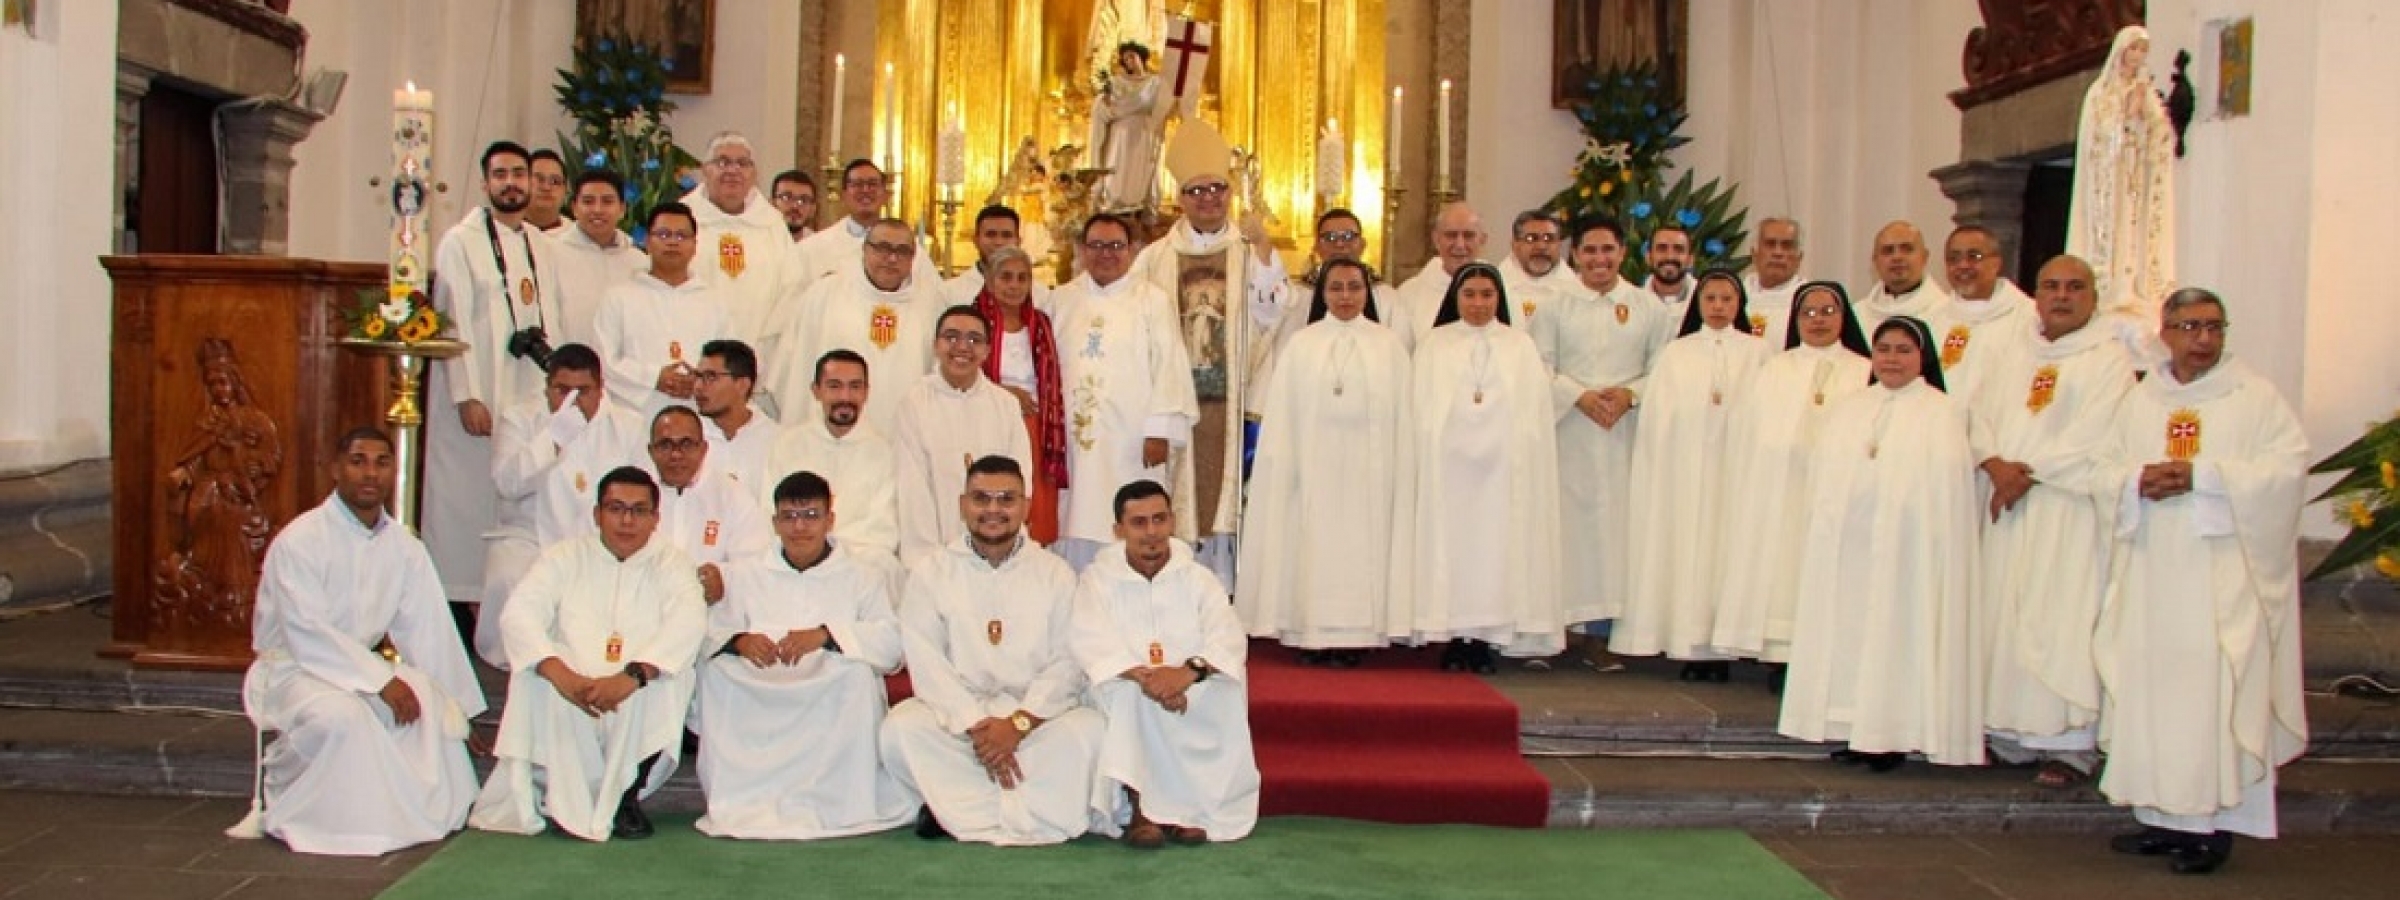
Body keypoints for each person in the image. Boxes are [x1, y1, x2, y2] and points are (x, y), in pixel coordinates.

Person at [2093, 288, 2306, 876]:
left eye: (2213, 326)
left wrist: (2203, 477)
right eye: (2189, 326)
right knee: (2154, 691)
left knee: (2210, 694)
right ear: (2166, 332)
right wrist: (2137, 481)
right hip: (2153, 570)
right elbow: (2103, 468)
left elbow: (2286, 470)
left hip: (2219, 576)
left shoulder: (2254, 397)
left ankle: (2214, 827)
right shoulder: (2141, 400)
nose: (2203, 338)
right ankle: (2163, 817)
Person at [234, 427, 485, 856]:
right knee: (346, 718)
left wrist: (458, 707)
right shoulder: (301, 539)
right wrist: (378, 680)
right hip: (296, 670)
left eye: (381, 462)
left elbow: (428, 629)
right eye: (358, 461)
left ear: (393, 471)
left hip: (359, 669)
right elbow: (306, 631)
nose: (370, 473)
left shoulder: (404, 547)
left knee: (427, 709)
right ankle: (312, 810)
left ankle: (406, 816)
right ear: (336, 469)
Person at [1776, 316, 1984, 773]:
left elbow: (1943, 491)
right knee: (1851, 636)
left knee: (1895, 637)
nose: (1892, 358)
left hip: (1907, 554)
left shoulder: (1940, 411)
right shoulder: (1851, 408)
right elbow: (1825, 476)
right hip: (1849, 550)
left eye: (1903, 350)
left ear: (1923, 356)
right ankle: (1855, 728)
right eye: (1884, 349)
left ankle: (1892, 734)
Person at [470, 467, 708, 841]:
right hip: (573, 679)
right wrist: (562, 675)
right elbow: (520, 614)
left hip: (634, 680)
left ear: (654, 519)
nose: (626, 520)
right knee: (535, 671)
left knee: (672, 677)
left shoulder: (673, 563)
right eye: (616, 508)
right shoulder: (564, 556)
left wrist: (632, 677)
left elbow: (688, 621)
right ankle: (566, 797)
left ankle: (626, 797)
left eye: (638, 510)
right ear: (597, 514)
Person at [881, 455, 1105, 846]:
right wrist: (977, 727)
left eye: (1006, 499)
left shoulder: (1055, 573)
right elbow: (926, 661)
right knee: (901, 729)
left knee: (1089, 730)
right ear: (963, 504)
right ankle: (1004, 805)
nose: (993, 510)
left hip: (1034, 719)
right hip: (963, 723)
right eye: (981, 498)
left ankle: (955, 808)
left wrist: (1017, 725)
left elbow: (1068, 661)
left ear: (1026, 505)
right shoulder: (932, 572)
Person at [1975, 255, 2136, 787]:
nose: (2061, 296)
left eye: (2074, 287)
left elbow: (2100, 436)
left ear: (2093, 296)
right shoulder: (2010, 350)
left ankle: (2069, 745)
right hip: (2005, 502)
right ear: (2036, 294)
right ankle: (2009, 735)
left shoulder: (2108, 359)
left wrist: (2029, 473)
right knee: (2004, 614)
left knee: (2059, 620)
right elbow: (1979, 414)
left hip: (2066, 509)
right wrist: (1995, 463)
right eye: (2051, 286)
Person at [691, 472, 914, 840]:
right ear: (775, 522)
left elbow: (891, 644)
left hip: (827, 685)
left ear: (830, 519)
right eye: (789, 517)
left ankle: (837, 802)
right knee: (719, 673)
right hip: (761, 683)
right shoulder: (746, 575)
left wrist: (827, 636)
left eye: (811, 515)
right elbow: (711, 632)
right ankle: (745, 800)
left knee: (857, 676)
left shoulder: (862, 576)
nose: (800, 527)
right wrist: (740, 641)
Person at [1127, 118, 1291, 589]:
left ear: (1230, 192)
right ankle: (1175, 585)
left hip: (1229, 398)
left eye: (1218, 188)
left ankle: (1224, 592)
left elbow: (1272, 314)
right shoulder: (1155, 258)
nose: (1209, 199)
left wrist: (1263, 252)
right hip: (1177, 402)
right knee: (1178, 493)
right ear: (1181, 198)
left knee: (1225, 500)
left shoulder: (1245, 250)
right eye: (1197, 191)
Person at [1235, 258, 1412, 665]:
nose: (1346, 297)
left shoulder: (1389, 345)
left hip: (1371, 473)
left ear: (1368, 293)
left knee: (1363, 550)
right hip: (1314, 472)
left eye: (1354, 287)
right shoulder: (1302, 343)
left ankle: (1360, 637)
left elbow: (1403, 416)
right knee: (1312, 547)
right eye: (1336, 288)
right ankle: (1309, 632)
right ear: (1322, 294)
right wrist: (1287, 468)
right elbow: (1283, 417)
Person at [1393, 264, 1564, 673]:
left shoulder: (1519, 346)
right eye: (1469, 294)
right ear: (1456, 297)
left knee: (1496, 554)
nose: (1478, 303)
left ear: (1499, 298)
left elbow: (1534, 417)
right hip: (1448, 476)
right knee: (1450, 551)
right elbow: (1420, 412)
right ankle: (1454, 637)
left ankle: (1486, 639)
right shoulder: (1434, 344)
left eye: (1487, 294)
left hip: (1503, 476)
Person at [1071, 480, 1259, 846]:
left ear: (1173, 522)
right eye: (1139, 523)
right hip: (1130, 682)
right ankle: (1142, 808)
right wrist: (1148, 680)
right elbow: (1090, 639)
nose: (1152, 532)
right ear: (1118, 530)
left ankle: (1192, 808)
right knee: (1127, 697)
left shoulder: (1199, 579)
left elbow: (1227, 637)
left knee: (1221, 693)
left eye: (1160, 520)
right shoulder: (1098, 580)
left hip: (1190, 681)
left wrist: (1186, 674)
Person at [427, 141, 566, 620]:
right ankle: (460, 604)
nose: (512, 183)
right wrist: (466, 394)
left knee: (522, 492)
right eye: (501, 174)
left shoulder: (540, 244)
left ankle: (509, 604)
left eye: (519, 174)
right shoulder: (460, 243)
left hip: (527, 390)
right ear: (485, 184)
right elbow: (452, 321)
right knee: (469, 499)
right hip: (480, 391)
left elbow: (553, 317)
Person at [1709, 283, 1871, 680]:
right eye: (1809, 313)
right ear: (1796, 320)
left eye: (1828, 311)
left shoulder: (1863, 369)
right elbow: (1753, 432)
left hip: (1840, 494)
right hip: (1782, 492)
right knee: (1783, 570)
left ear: (1844, 317)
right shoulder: (1776, 368)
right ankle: (1782, 659)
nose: (1818, 320)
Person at [1612, 270, 1769, 679]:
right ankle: (1687, 644)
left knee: (1728, 551)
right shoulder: (1677, 353)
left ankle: (1724, 647)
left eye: (1727, 299)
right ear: (1698, 304)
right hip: (1685, 470)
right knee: (1687, 552)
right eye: (1711, 298)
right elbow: (1659, 416)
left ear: (1739, 305)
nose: (1718, 306)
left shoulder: (1760, 352)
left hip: (1735, 471)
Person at [1529, 219, 1668, 670]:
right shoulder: (1554, 307)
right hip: (1569, 430)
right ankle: (1561, 629)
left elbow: (1664, 368)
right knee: (1568, 530)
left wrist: (1631, 395)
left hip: (1624, 433)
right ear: (1575, 256)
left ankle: (1604, 634)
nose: (1599, 259)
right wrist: (1578, 395)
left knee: (1617, 533)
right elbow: (1538, 365)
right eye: (1589, 251)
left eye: (1607, 249)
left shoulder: (1647, 307)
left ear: (1623, 252)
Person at [1047, 213, 1198, 572]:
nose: (1106, 254)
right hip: (1071, 441)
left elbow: (1170, 365)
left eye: (1115, 246)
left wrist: (1161, 430)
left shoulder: (1151, 300)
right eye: (1096, 245)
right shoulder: (1060, 300)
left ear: (1132, 250)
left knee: (1128, 513)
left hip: (1132, 441)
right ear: (1081, 250)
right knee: (1073, 516)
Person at [485, 343, 647, 667]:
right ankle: (516, 664)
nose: (572, 401)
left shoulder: (630, 425)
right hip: (529, 535)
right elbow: (507, 484)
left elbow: (642, 491)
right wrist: (552, 439)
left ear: (601, 390)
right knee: (507, 574)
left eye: (583, 391)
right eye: (561, 390)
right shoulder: (518, 418)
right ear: (547, 388)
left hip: (602, 539)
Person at [894, 305, 1034, 569]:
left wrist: (1001, 543)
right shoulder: (914, 403)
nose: (962, 347)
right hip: (934, 552)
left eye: (974, 339)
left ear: (987, 350)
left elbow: (1021, 477)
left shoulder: (1004, 404)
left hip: (997, 549)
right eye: (952, 337)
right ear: (936, 345)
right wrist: (928, 562)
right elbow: (913, 488)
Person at [776, 217, 943, 434]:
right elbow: (797, 362)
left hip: (906, 434)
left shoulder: (931, 303)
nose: (892, 258)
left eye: (902, 251)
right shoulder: (825, 293)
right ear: (864, 249)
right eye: (882, 248)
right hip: (833, 431)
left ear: (913, 257)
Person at [2070, 26, 2177, 339]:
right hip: (2110, 181)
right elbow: (2099, 138)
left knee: (2137, 233)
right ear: (2121, 52)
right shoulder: (2101, 94)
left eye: (2143, 51)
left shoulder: (2147, 91)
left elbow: (2159, 134)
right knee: (2115, 232)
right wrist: (2124, 119)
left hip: (2137, 178)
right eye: (2134, 49)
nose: (2138, 56)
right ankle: (2113, 289)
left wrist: (2149, 116)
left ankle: (2134, 289)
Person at [594, 201, 734, 421]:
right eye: (663, 234)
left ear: (695, 245)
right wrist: (654, 377)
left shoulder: (715, 301)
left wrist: (699, 380)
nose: (672, 242)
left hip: (699, 418)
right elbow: (604, 361)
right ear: (647, 242)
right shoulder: (619, 297)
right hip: (634, 418)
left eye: (681, 236)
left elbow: (728, 362)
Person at [680, 132, 804, 378]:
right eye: (723, 162)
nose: (733, 171)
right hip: (694, 355)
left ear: (753, 174)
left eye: (742, 163)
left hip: (758, 354)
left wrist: (764, 350)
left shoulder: (771, 223)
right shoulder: (682, 219)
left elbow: (792, 288)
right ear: (705, 170)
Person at [972, 247, 1070, 543]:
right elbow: (960, 373)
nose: (1014, 285)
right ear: (989, 280)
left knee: (1035, 507)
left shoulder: (1039, 324)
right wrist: (1004, 394)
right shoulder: (973, 321)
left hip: (1037, 428)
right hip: (988, 424)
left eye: (1022, 278)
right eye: (1006, 277)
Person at [763, 351, 901, 559]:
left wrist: (831, 556)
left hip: (859, 565)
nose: (845, 397)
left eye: (855, 386)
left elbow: (882, 529)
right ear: (816, 390)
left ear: (866, 392)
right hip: (795, 559)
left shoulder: (884, 453)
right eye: (834, 386)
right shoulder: (788, 445)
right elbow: (769, 513)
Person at [644, 407, 773, 608]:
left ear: (703, 449)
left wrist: (724, 578)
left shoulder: (731, 495)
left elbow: (758, 565)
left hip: (715, 627)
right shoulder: (636, 499)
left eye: (686, 444)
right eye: (665, 445)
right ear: (651, 451)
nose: (676, 454)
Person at [1928, 225, 2035, 404]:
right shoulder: (1933, 319)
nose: (1963, 265)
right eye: (1953, 259)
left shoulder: (2027, 317)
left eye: (1974, 257)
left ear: (1997, 263)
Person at [795, 160, 943, 286]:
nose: (865, 190)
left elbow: (930, 296)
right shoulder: (813, 248)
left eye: (873, 184)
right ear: (844, 195)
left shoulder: (908, 249)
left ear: (886, 195)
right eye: (857, 184)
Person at [550, 169, 647, 348]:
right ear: (574, 208)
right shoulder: (551, 253)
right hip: (572, 367)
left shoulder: (639, 262)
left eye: (607, 202)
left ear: (622, 209)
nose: (597, 210)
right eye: (588, 201)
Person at [1392, 204, 1491, 349]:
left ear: (1483, 240)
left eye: (1468, 235)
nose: (1460, 244)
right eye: (1451, 235)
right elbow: (1400, 354)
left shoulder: (1500, 291)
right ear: (1436, 239)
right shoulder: (1410, 294)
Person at [694, 339, 780, 492]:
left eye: (710, 377)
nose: (698, 386)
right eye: (698, 376)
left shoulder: (776, 440)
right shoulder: (690, 436)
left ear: (742, 385)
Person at [1090, 42, 1163, 212]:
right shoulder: (1116, 83)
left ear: (1141, 57)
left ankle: (1141, 206)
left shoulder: (1154, 83)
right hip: (1120, 135)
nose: (1129, 61)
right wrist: (1105, 103)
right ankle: (1115, 205)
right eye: (1125, 59)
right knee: (1117, 170)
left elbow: (1162, 107)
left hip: (1144, 133)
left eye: (1132, 57)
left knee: (1140, 172)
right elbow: (1106, 107)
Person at [942, 204, 1049, 310]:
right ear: (976, 240)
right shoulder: (951, 292)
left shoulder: (1041, 295)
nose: (999, 242)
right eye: (990, 234)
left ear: (1018, 241)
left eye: (1006, 235)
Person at [1853, 221, 1952, 332]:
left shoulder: (1948, 313)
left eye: (1907, 249)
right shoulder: (1857, 316)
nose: (1897, 257)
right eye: (1888, 250)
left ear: (1924, 257)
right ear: (1875, 260)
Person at [1496, 210, 1574, 319]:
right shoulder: (1495, 286)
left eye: (1549, 238)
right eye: (1531, 238)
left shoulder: (1576, 290)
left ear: (1559, 244)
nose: (1541, 246)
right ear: (1515, 245)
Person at [1742, 217, 1807, 340]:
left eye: (1787, 245)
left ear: (1799, 258)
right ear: (1754, 254)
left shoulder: (1808, 302)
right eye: (1770, 244)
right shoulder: (1735, 298)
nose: (1778, 253)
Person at [1640, 224, 1696, 323]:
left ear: (1690, 260)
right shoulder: (1632, 305)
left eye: (1679, 249)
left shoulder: (1708, 305)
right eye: (1662, 249)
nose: (1670, 257)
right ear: (1648, 257)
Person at [526, 149, 570, 234]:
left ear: (565, 190)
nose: (546, 187)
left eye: (555, 181)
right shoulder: (502, 231)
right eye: (539, 179)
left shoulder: (580, 237)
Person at [768, 169, 820, 242]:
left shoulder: (818, 246)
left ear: (813, 209)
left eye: (804, 200)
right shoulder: (755, 242)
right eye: (787, 197)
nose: (795, 206)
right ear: (772, 203)